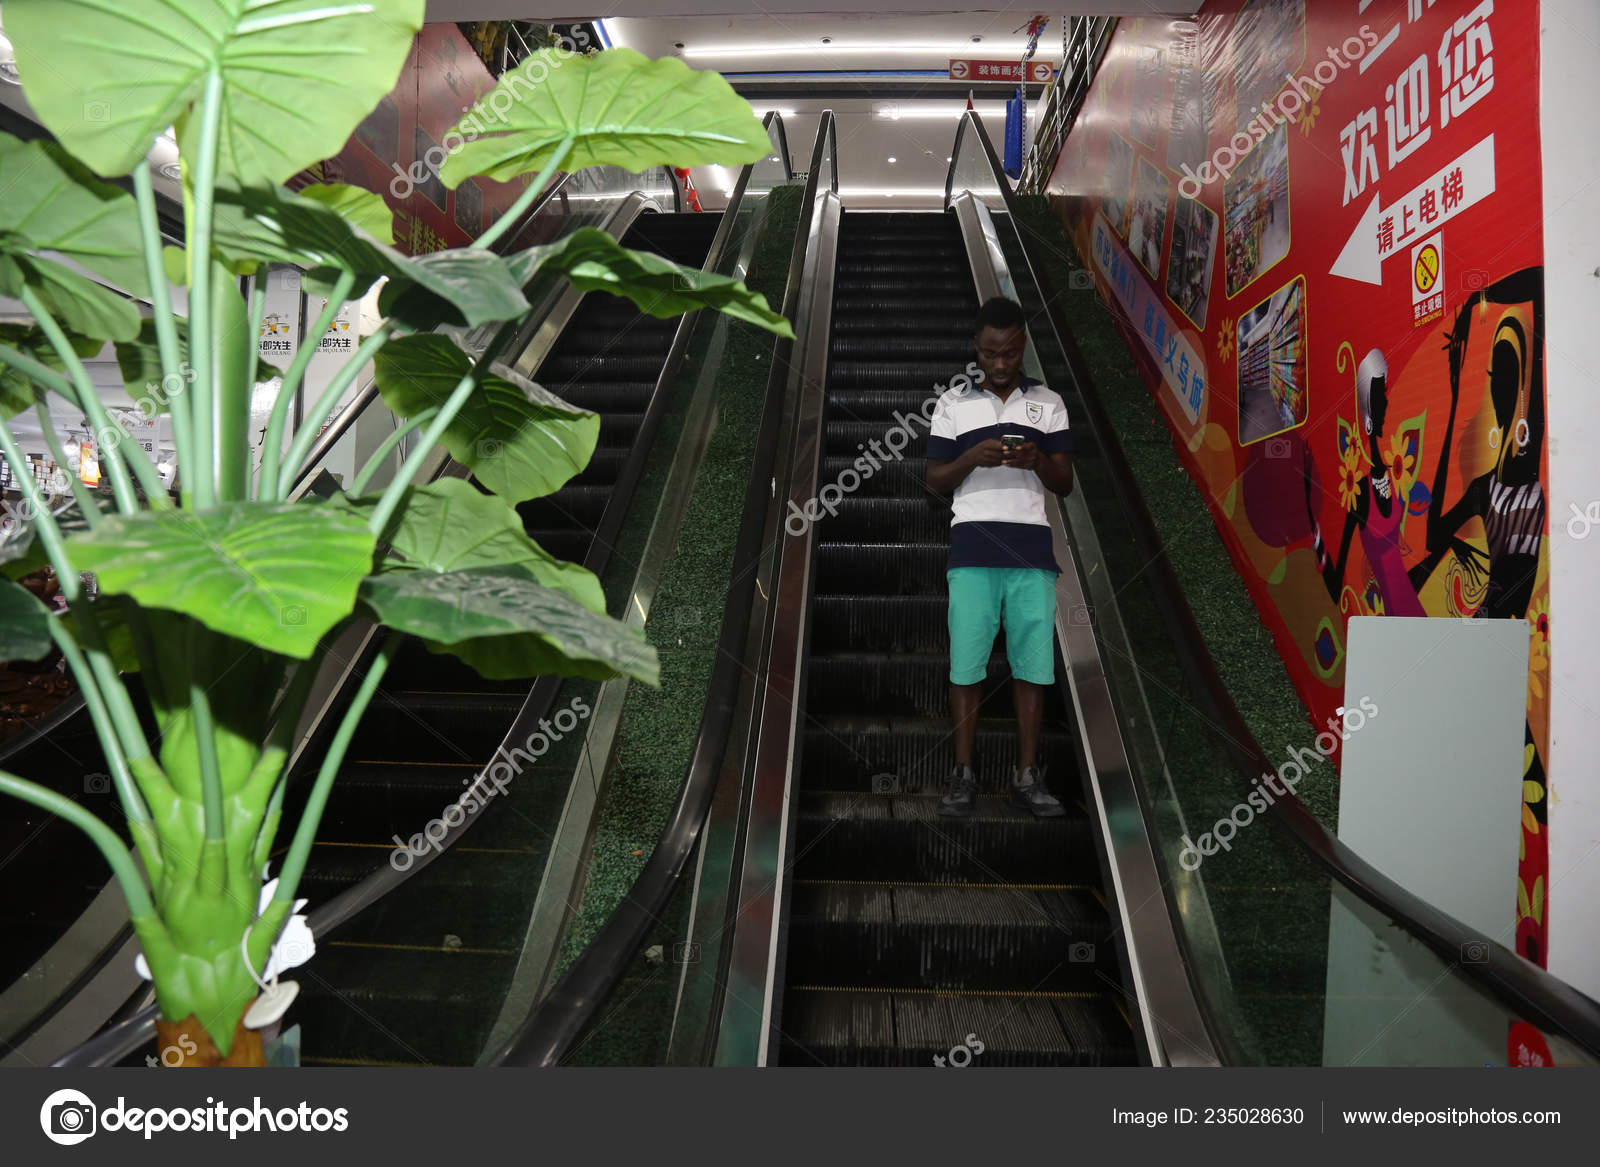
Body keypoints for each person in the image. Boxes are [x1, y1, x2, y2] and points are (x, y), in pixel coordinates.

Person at [925, 297, 1075, 818]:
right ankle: (963, 775)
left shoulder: (1050, 403)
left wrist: (1036, 461)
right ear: (976, 348)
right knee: (966, 666)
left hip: (1032, 550)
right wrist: (971, 456)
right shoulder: (951, 404)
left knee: (1032, 667)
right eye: (990, 353)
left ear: (1023, 346)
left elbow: (1066, 482)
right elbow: (933, 481)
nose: (1001, 363)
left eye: (1010, 352)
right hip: (971, 548)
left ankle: (1027, 776)